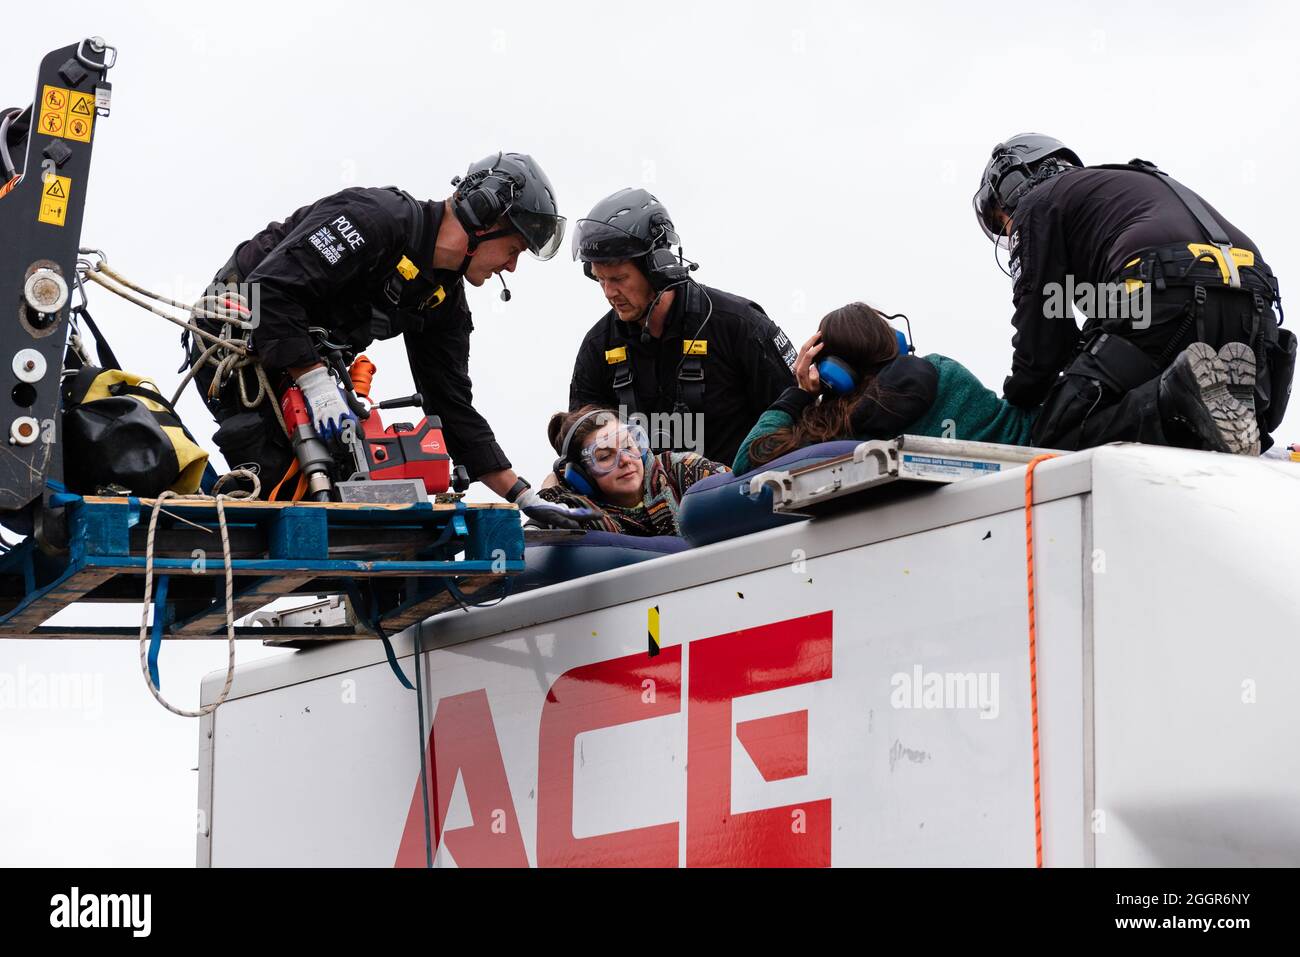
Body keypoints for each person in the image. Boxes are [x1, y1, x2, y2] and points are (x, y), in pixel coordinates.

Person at [187, 151, 590, 528]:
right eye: (514, 248)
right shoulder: (375, 219)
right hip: (235, 351)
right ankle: (188, 506)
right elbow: (268, 291)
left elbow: (451, 404)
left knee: (355, 488)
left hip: (302, 375)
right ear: (483, 216)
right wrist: (316, 384)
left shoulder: (442, 300)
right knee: (289, 497)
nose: (512, 266)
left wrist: (522, 496)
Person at [974, 133, 1294, 455]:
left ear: (1013, 182)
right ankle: (1237, 401)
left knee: (1058, 432)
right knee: (1209, 429)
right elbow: (1080, 324)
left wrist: (1019, 404)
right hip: (1253, 302)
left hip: (1159, 291)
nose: (1011, 230)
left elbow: (1042, 333)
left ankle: (1176, 398)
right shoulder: (1130, 183)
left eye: (1004, 222)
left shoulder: (1037, 202)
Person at [567, 188, 797, 466]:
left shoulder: (739, 325)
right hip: (653, 508)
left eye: (618, 278)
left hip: (742, 499)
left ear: (657, 267)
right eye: (600, 280)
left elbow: (798, 414)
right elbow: (582, 449)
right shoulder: (598, 347)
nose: (608, 292)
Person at [734, 303, 1037, 473]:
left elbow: (746, 460)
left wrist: (799, 393)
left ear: (832, 372)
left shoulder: (838, 432)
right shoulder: (945, 371)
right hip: (1035, 476)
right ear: (894, 340)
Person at [538, 406, 731, 537]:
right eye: (605, 457)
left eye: (628, 446)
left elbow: (738, 486)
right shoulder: (579, 510)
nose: (625, 460)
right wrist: (551, 492)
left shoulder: (683, 469)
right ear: (582, 475)